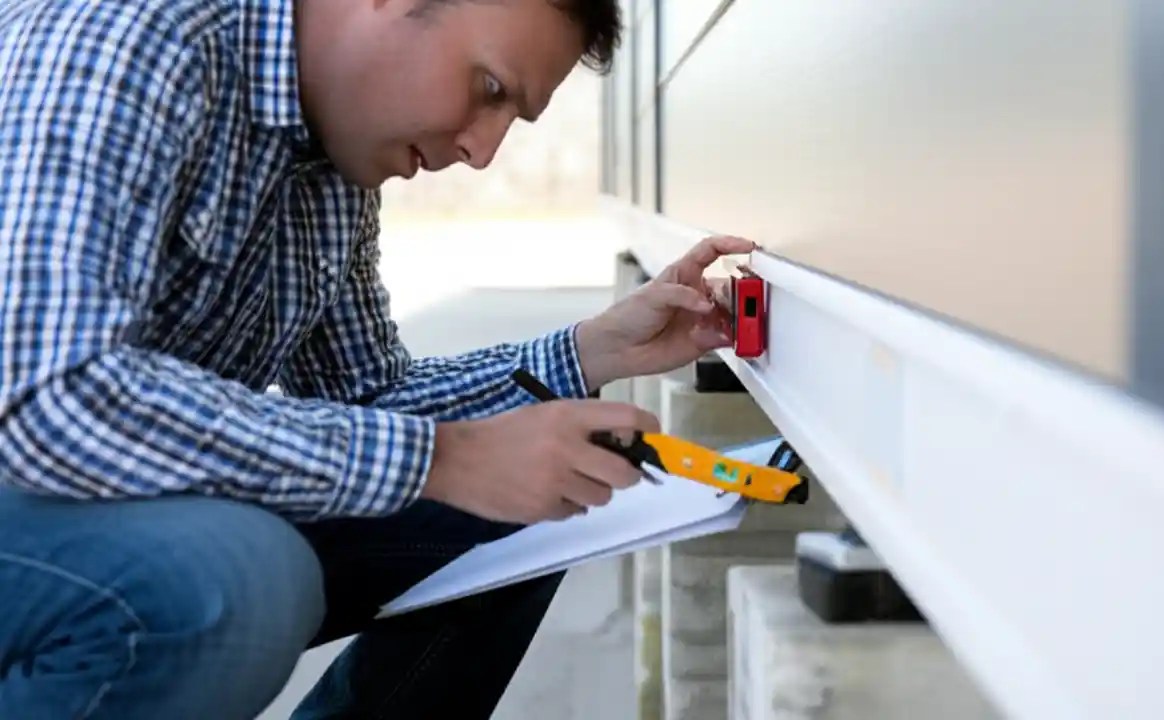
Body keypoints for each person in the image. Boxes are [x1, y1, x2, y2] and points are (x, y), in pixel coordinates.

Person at [0, 0, 752, 717]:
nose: (483, 152)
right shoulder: (127, 37)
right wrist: (448, 458)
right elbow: (48, 395)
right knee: (234, 579)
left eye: (509, 119)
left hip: (101, 498)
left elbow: (366, 401)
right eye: (489, 88)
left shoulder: (331, 158)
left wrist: (588, 351)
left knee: (545, 503)